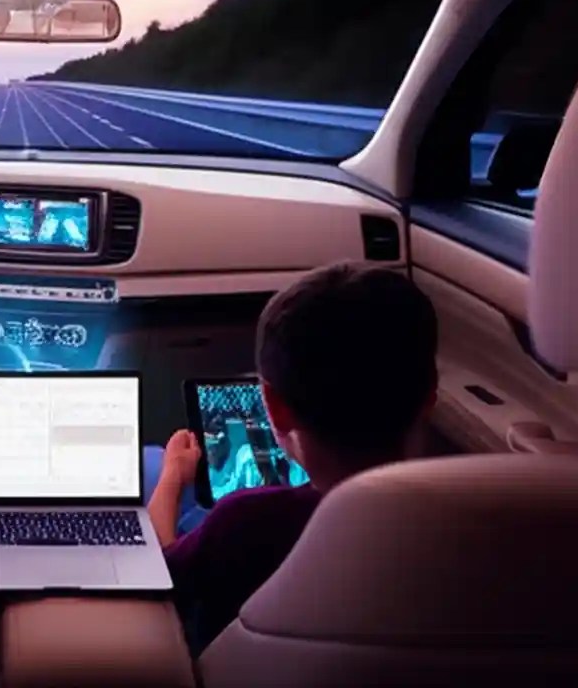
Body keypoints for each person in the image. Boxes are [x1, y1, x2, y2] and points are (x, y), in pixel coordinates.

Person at [146, 261, 439, 655]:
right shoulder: (470, 523)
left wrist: (171, 477)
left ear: (274, 406)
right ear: (430, 396)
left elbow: (160, 573)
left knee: (151, 464)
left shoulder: (248, 521)